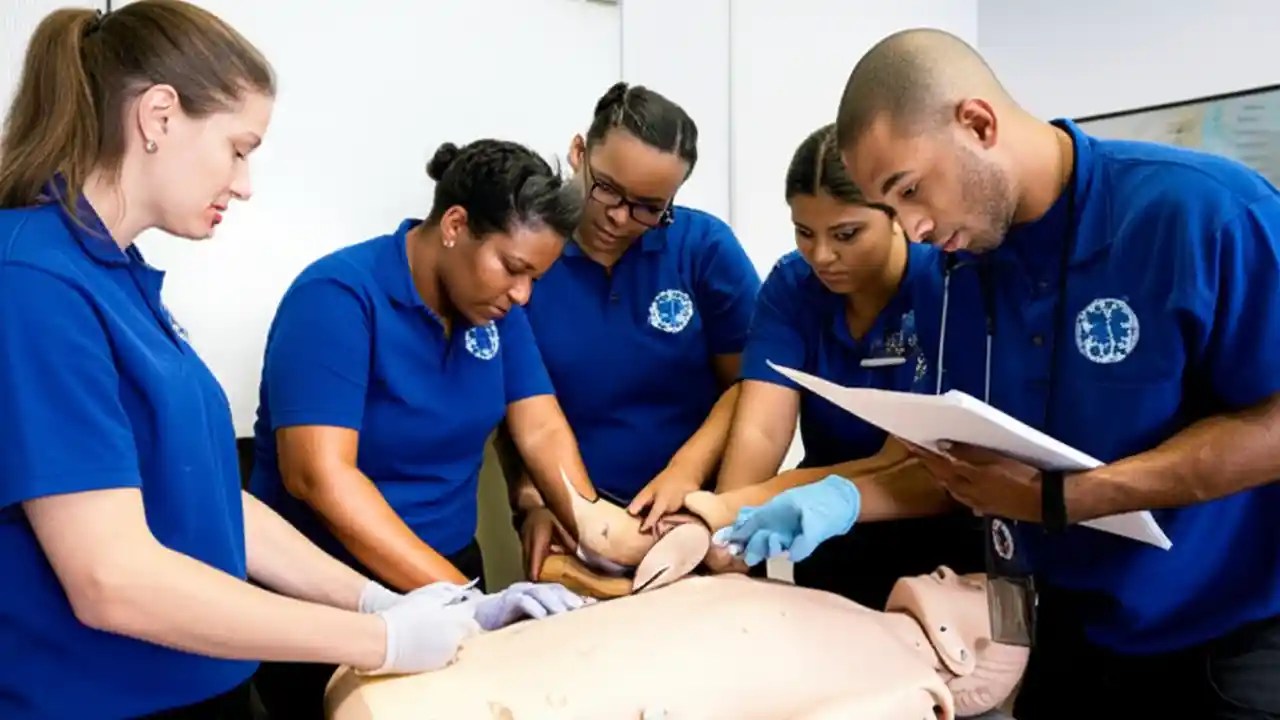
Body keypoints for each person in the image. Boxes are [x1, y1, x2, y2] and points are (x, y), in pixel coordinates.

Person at [0, 5, 584, 720]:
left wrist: (409, 600)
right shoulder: (34, 281)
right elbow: (110, 577)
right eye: (238, 148)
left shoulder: (121, 281)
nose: (244, 183)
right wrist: (379, 639)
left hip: (203, 686)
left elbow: (220, 505)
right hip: (101, 702)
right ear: (158, 117)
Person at [829, 27, 1280, 718]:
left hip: (1229, 640)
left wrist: (1069, 497)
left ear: (978, 123)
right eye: (891, 209)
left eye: (911, 189)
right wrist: (832, 499)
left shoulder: (1201, 215)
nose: (912, 228)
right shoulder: (957, 271)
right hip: (1076, 637)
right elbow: (974, 468)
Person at [247, 137, 600, 718]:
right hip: (333, 589)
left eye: (535, 277)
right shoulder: (337, 296)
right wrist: (465, 604)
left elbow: (540, 429)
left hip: (451, 569)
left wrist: (595, 531)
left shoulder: (495, 308)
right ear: (456, 225)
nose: (522, 293)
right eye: (513, 268)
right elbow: (320, 477)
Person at [711, 124, 985, 607]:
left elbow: (913, 461)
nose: (822, 255)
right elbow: (761, 429)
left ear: (897, 214)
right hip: (826, 538)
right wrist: (723, 529)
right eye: (804, 232)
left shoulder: (947, 284)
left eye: (846, 234)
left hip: (935, 535)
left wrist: (738, 503)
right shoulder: (792, 289)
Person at [504, 82, 761, 579]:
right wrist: (532, 501)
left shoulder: (703, 248)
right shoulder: (529, 258)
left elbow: (754, 386)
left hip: (700, 521)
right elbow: (517, 411)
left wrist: (687, 476)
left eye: (648, 206)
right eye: (607, 189)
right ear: (578, 153)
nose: (620, 217)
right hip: (577, 521)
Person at [326, 566, 1025, 720]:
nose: (947, 571)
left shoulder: (908, 684)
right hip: (466, 668)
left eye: (969, 582)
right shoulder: (836, 603)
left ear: (973, 654)